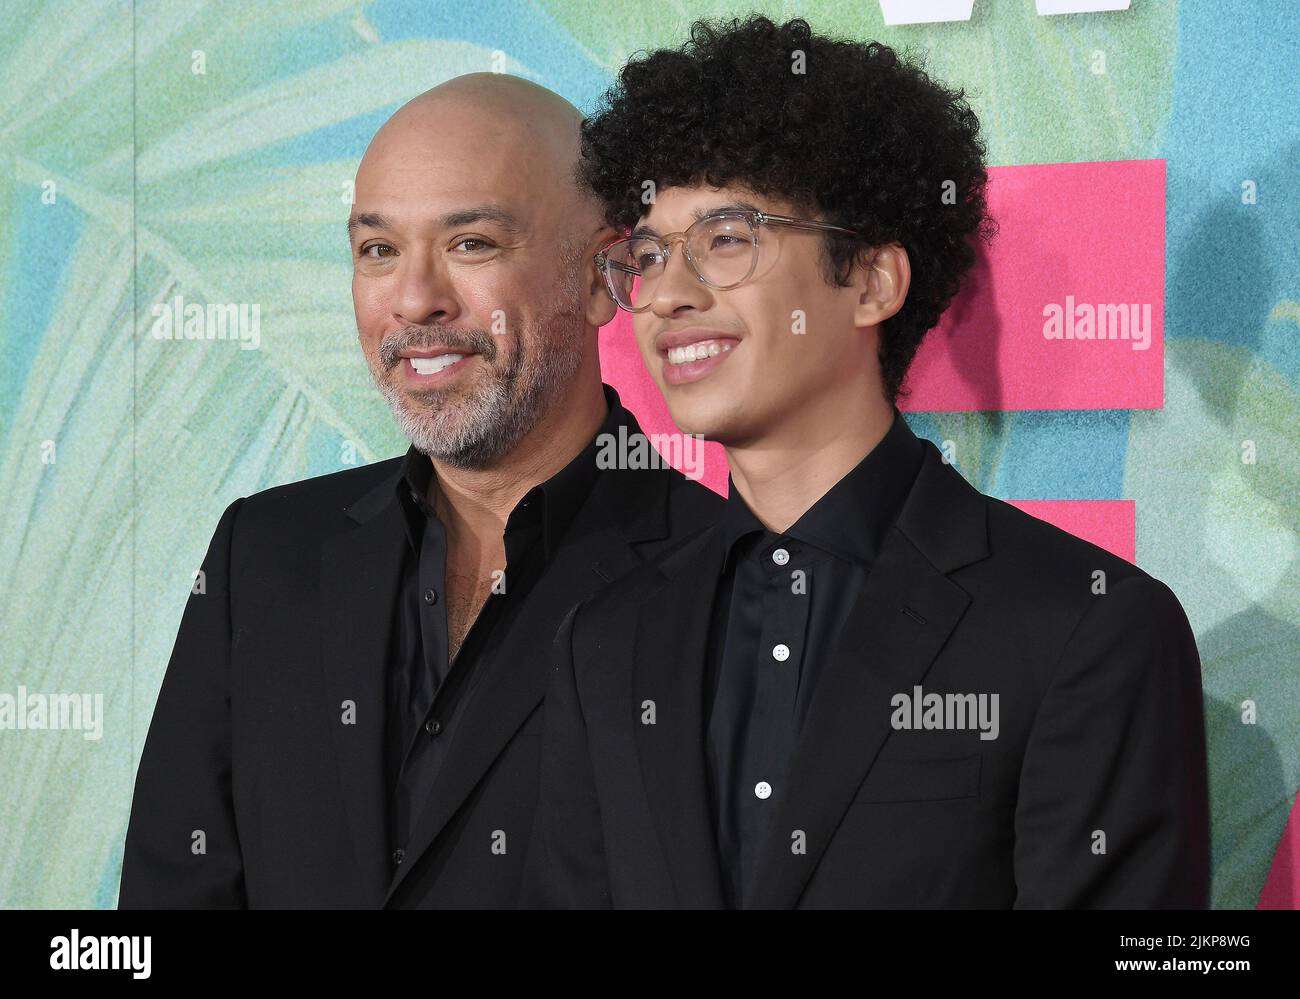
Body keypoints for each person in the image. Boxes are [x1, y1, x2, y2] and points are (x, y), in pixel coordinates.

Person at [520, 16, 1210, 908]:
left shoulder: (1087, 629)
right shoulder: (607, 643)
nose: (669, 296)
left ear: (873, 281)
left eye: (727, 238)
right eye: (647, 256)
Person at [119, 73, 723, 908]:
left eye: (471, 243)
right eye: (378, 250)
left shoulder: (728, 580)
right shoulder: (262, 553)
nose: (414, 300)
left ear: (604, 274)